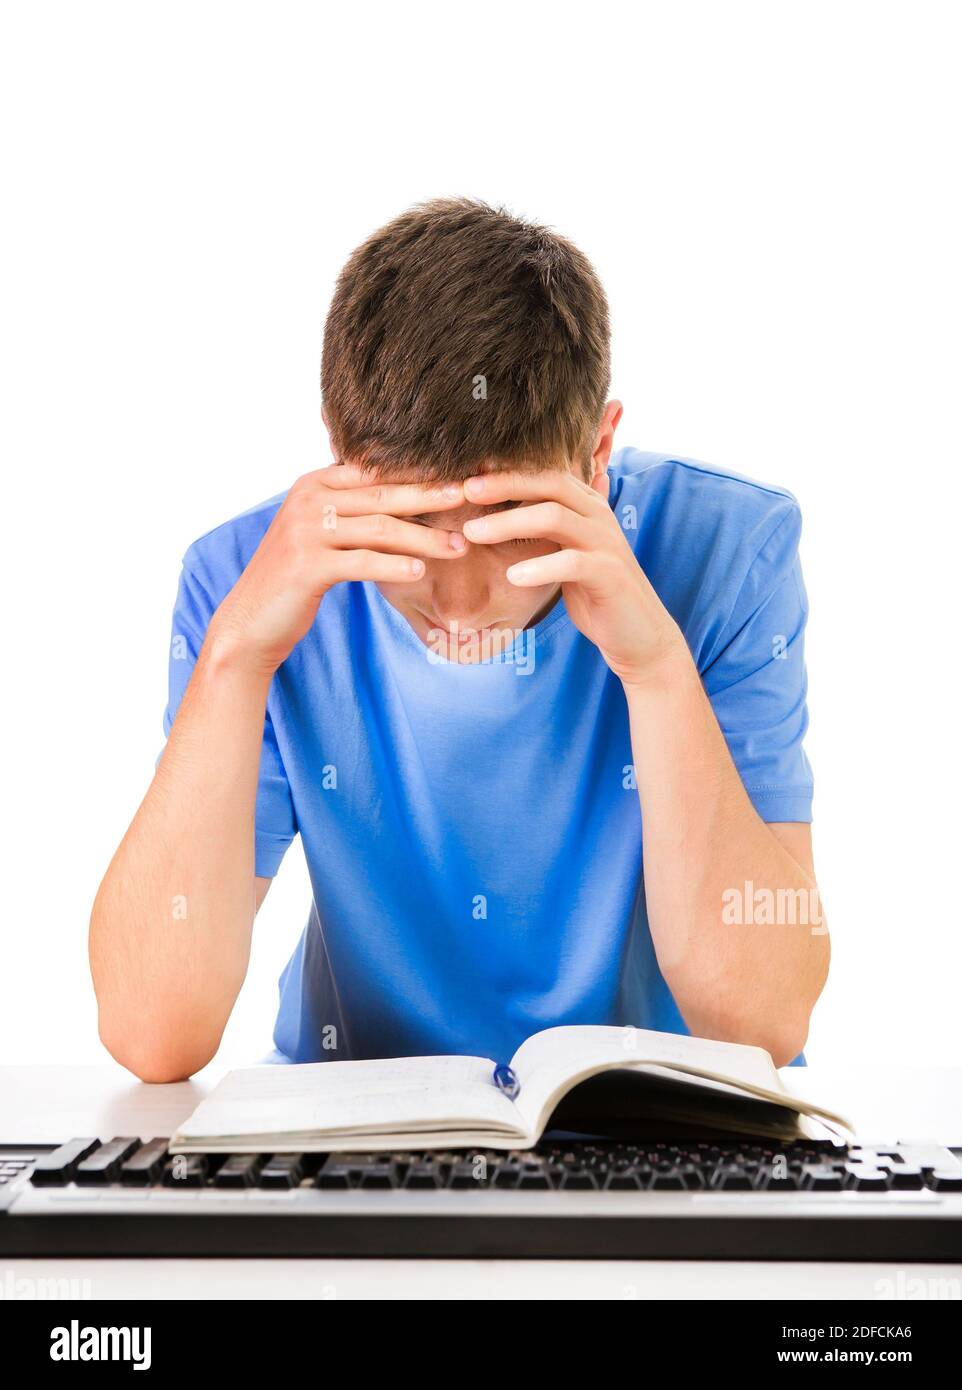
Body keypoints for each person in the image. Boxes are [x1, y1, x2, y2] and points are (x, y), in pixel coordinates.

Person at [89, 198, 828, 1081]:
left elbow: (765, 1021)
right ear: (341, 457)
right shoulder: (245, 579)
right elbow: (152, 1036)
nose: (462, 602)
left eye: (509, 529)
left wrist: (658, 669)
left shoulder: (728, 550)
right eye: (415, 534)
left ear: (597, 455)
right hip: (358, 1132)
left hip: (656, 1126)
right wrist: (237, 654)